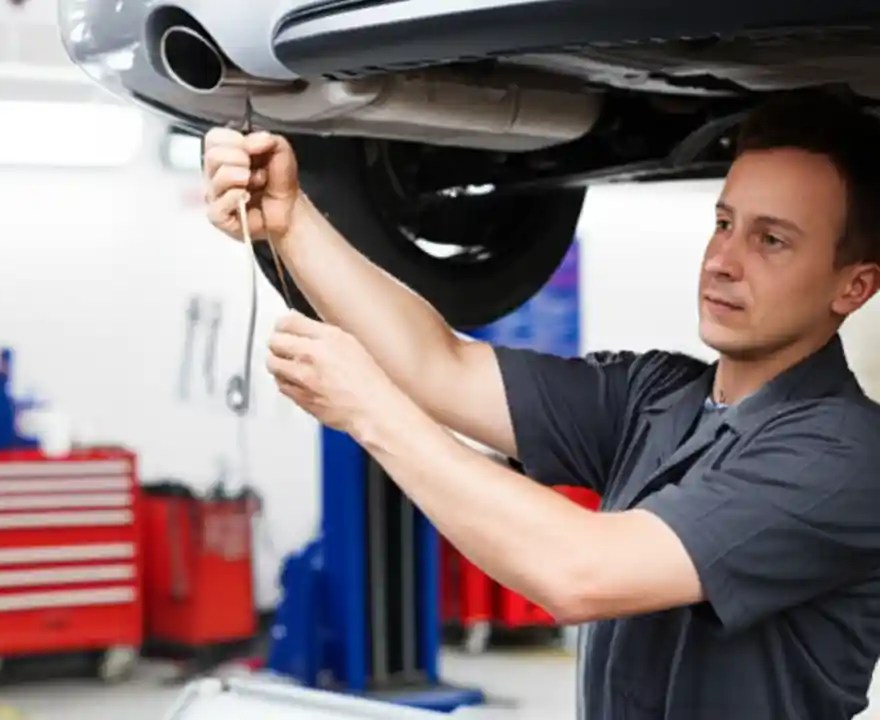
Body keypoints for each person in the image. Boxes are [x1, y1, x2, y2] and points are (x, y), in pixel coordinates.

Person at [201, 89, 880, 719]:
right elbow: (442, 365)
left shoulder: (846, 457)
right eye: (724, 223)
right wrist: (291, 222)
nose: (723, 260)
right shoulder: (662, 396)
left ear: (853, 288)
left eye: (771, 240)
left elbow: (581, 571)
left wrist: (372, 413)